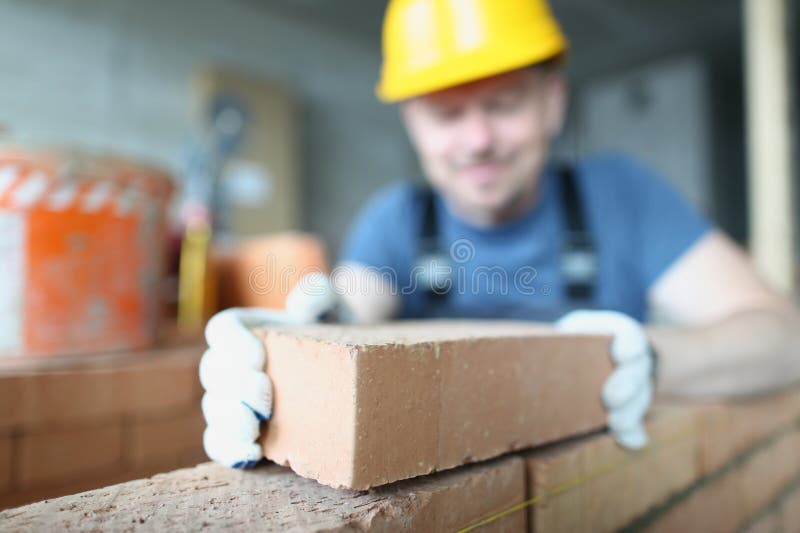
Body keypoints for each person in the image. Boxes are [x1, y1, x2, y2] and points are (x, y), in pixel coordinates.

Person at [200, 0, 800, 468]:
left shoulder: (624, 196)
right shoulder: (397, 221)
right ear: (414, 123)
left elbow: (782, 339)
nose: (478, 139)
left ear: (552, 101)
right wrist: (291, 349)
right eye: (447, 114)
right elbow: (353, 303)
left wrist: (647, 358)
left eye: (504, 103)